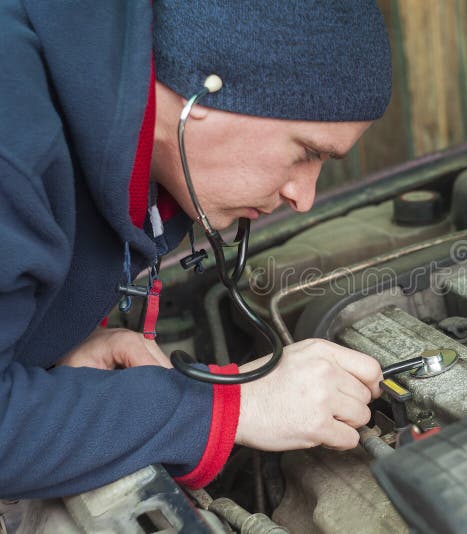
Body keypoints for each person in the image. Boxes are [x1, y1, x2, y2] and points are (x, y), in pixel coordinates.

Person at [0, 0, 391, 498]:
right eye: (308, 152)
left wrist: (49, 344)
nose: (304, 197)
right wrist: (229, 406)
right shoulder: (11, 142)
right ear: (205, 97)